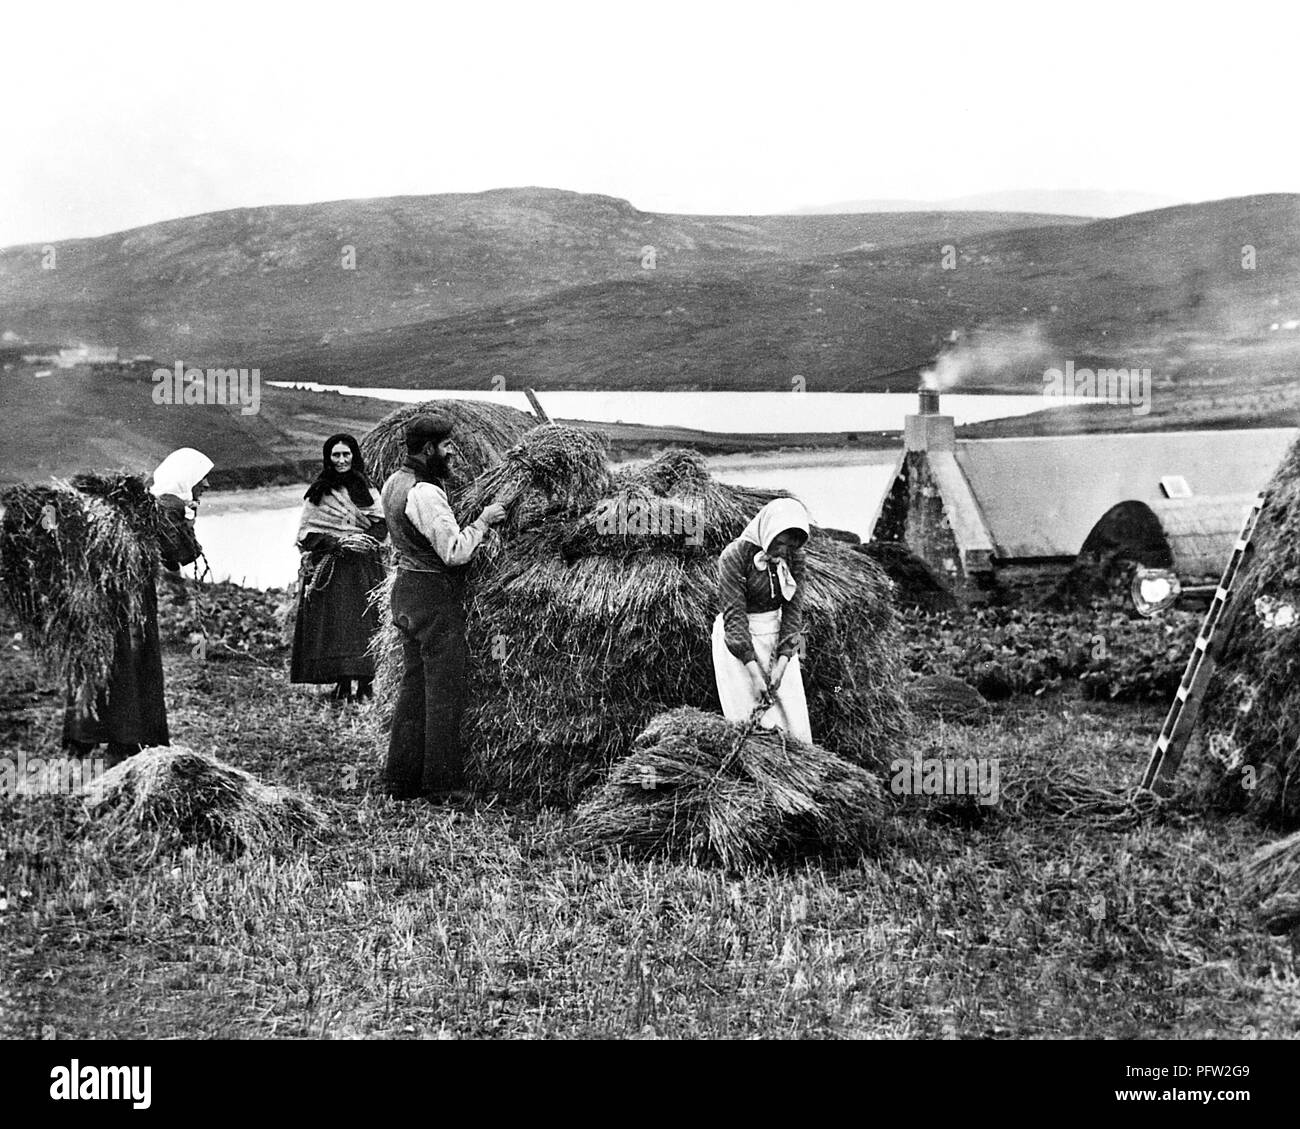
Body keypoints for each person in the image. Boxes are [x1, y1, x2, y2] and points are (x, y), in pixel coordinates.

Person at [380, 417, 507, 801]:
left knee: (414, 686)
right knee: (443, 689)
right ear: (428, 448)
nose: (452, 452)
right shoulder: (425, 492)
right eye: (446, 445)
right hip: (432, 595)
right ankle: (442, 784)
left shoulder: (393, 483)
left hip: (406, 590)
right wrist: (483, 521)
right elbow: (454, 552)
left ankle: (400, 778)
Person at [63, 447, 211, 766]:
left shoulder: (150, 502)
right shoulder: (168, 505)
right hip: (132, 599)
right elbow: (179, 556)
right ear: (187, 478)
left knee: (105, 658)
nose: (207, 485)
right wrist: (189, 518)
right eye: (202, 478)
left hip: (107, 593)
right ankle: (127, 738)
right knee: (132, 663)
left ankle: (85, 734)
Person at [290, 434, 388, 702]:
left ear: (354, 456)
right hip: (334, 568)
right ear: (328, 458)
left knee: (366, 622)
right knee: (337, 624)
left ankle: (366, 683)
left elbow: (381, 524)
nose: (342, 460)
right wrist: (334, 542)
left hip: (364, 566)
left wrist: (363, 540)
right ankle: (343, 683)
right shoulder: (319, 491)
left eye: (346, 454)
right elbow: (307, 532)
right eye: (336, 455)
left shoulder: (367, 489)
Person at [712, 497, 814, 743]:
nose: (783, 552)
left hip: (779, 637)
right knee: (751, 717)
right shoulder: (734, 556)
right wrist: (755, 675)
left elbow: (793, 612)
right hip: (739, 643)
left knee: (792, 716)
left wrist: (782, 662)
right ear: (768, 531)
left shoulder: (795, 557)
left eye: (790, 546)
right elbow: (734, 617)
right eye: (779, 543)